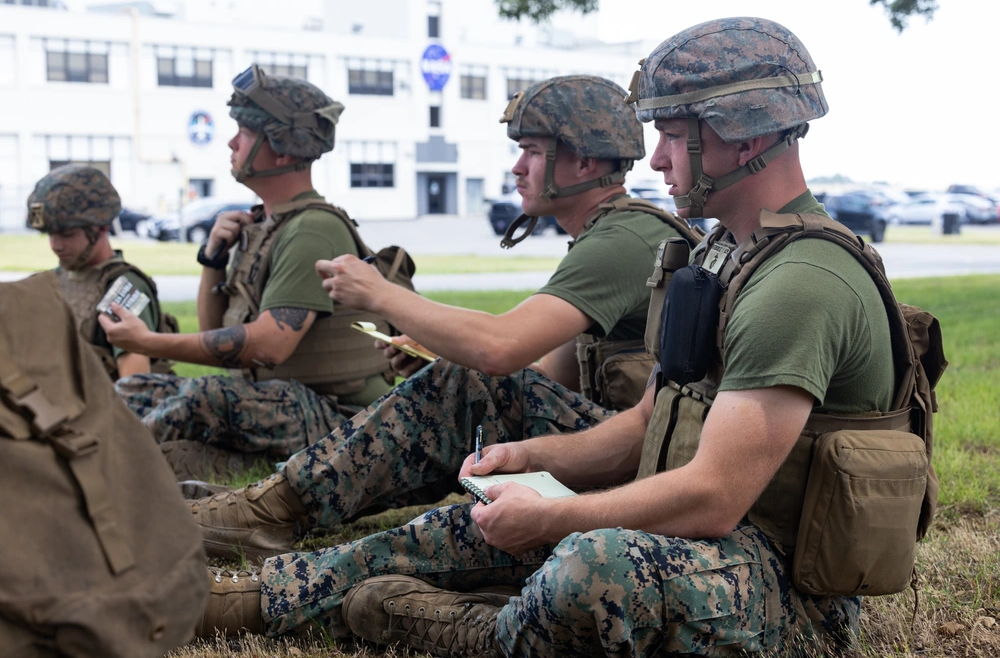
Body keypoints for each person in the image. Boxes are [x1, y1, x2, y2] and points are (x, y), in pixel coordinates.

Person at [192, 18, 933, 655]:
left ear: (748, 136)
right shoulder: (722, 256)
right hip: (704, 542)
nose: (657, 158)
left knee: (594, 565)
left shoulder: (802, 282)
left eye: (673, 135)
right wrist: (533, 460)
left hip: (786, 587)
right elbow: (644, 425)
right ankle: (246, 599)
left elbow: (713, 497)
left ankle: (486, 630)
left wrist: (554, 515)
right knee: (482, 520)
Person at [185, 74, 701, 562]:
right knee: (465, 380)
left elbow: (501, 349)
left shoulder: (622, 239)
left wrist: (380, 294)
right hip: (634, 451)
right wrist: (438, 355)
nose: (517, 167)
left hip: (648, 469)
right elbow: (548, 377)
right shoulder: (615, 234)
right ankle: (279, 503)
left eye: (531, 151)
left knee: (470, 379)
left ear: (585, 163)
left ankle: (273, 510)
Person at [100, 65, 398, 476]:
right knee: (134, 389)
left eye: (244, 132)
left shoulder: (312, 229)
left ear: (283, 149)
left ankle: (107, 472)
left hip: (343, 420)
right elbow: (217, 335)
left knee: (202, 398)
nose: (231, 142)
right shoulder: (265, 224)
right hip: (280, 401)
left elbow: (267, 347)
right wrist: (213, 261)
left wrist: (148, 342)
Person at [27, 164, 172, 380]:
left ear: (101, 228)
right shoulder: (49, 282)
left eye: (67, 234)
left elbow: (134, 385)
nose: (55, 245)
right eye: (50, 234)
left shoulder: (124, 287)